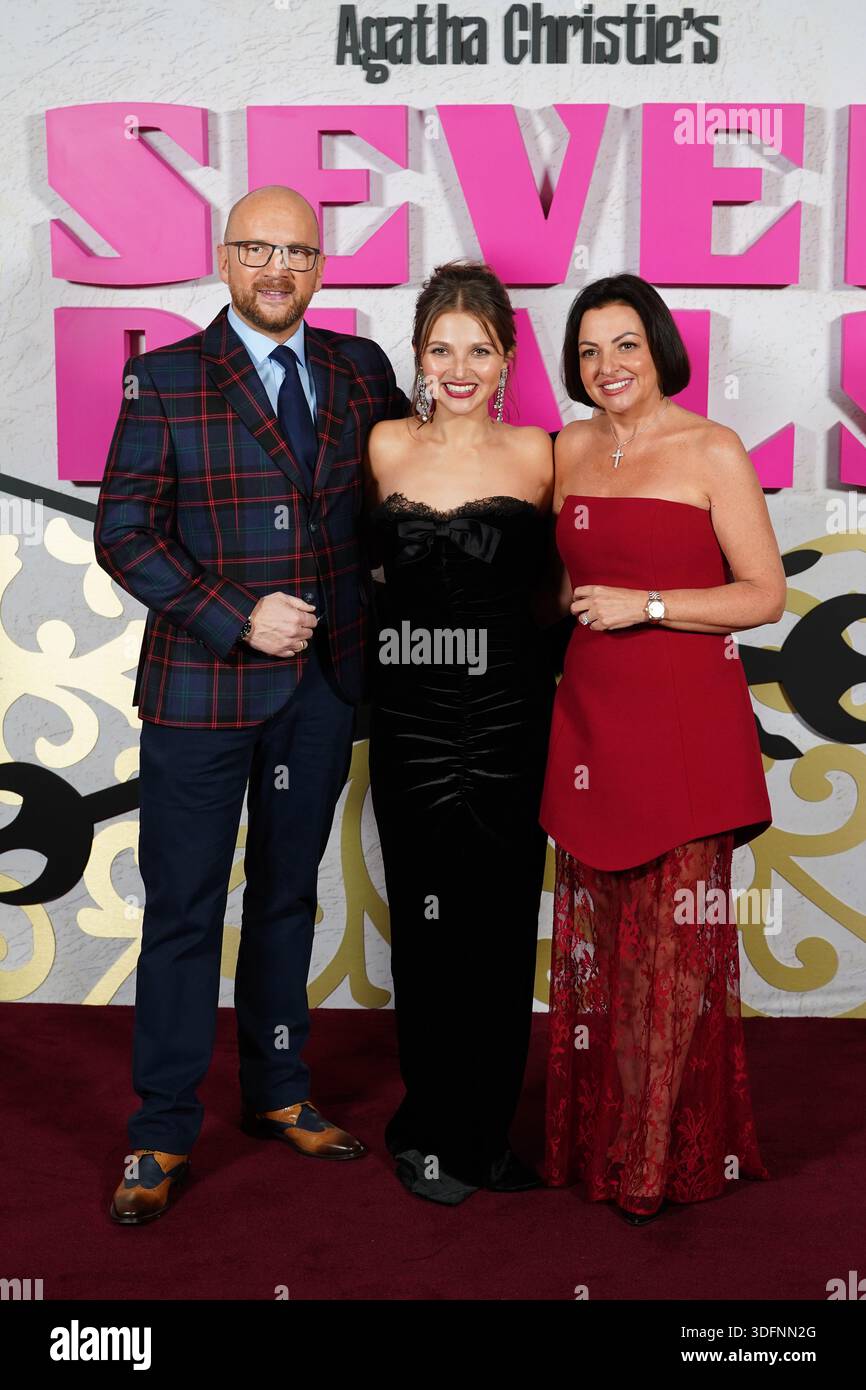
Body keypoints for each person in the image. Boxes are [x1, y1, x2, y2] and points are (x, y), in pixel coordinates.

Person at [94, 184, 410, 1224]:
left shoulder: (360, 370)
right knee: (185, 909)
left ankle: (279, 1087)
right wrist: (235, 613)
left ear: (321, 269)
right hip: (201, 687)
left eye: (302, 253)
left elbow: (398, 502)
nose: (281, 269)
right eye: (260, 249)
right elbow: (127, 535)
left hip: (320, 691)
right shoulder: (165, 379)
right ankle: (160, 1127)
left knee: (286, 897)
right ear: (226, 258)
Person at [540, 273, 786, 1225]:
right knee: (610, 951)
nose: (609, 366)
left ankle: (650, 1159)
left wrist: (649, 608)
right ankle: (607, 1140)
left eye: (626, 345)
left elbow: (762, 594)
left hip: (689, 727)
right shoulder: (565, 450)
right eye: (591, 350)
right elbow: (561, 586)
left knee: (672, 958)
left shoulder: (711, 448)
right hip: (593, 724)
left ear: (660, 349)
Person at [364, 260, 556, 1204]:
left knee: (501, 924)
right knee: (427, 926)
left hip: (514, 717)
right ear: (419, 354)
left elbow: (559, 588)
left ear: (508, 357)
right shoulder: (384, 447)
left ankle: (487, 1136)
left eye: (479, 349)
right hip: (411, 721)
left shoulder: (539, 454)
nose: (460, 366)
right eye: (442, 348)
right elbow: (356, 572)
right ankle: (428, 1132)